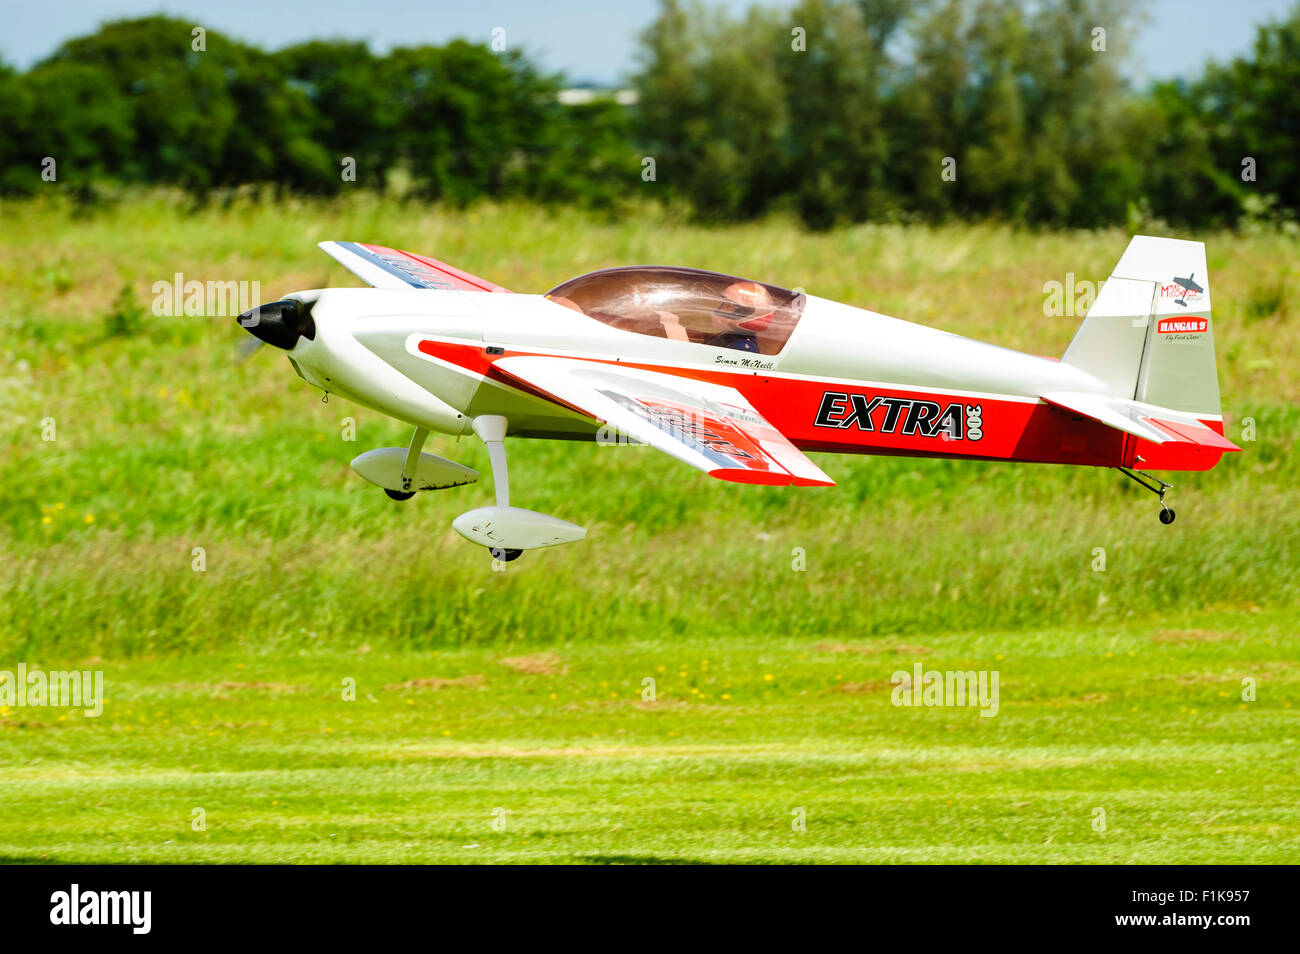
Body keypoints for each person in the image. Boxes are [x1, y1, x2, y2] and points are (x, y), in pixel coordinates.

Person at [706, 281, 776, 353]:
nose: (720, 309)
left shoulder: (742, 347)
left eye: (727, 305)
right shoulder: (728, 336)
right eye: (723, 303)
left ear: (744, 312)